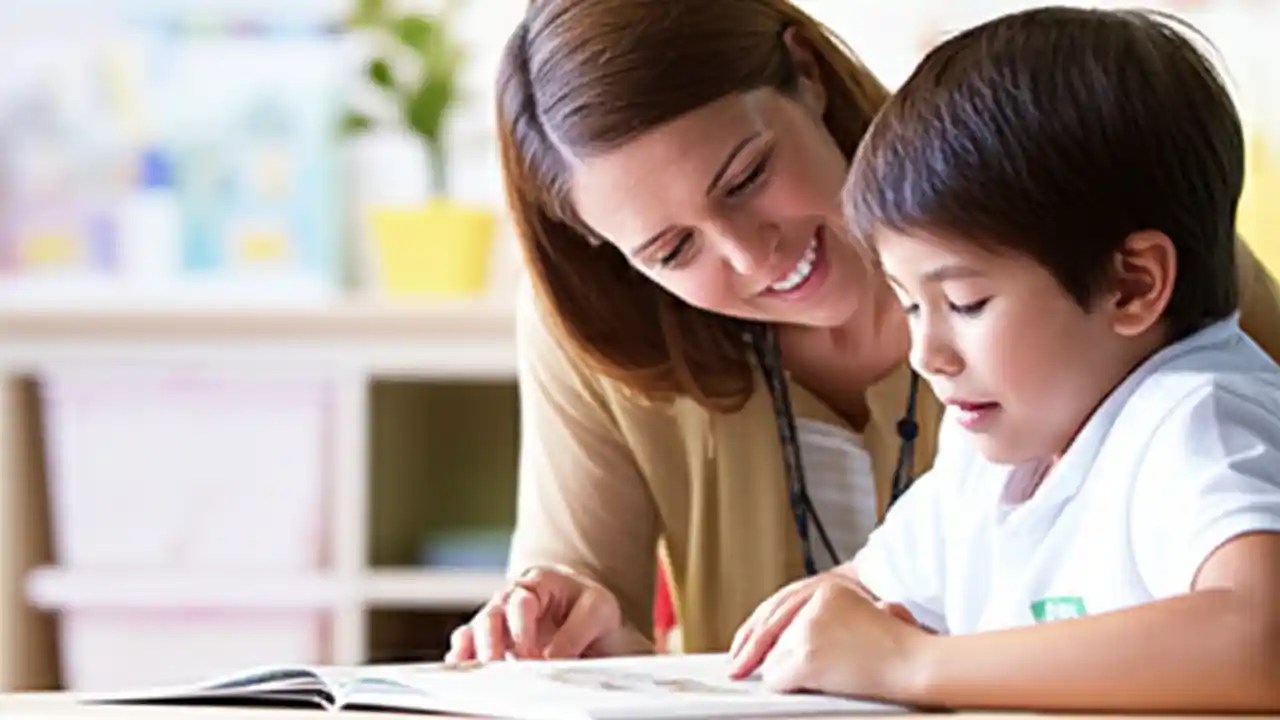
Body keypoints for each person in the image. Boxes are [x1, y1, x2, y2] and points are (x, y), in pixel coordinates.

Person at [446, 0, 1280, 663]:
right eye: (672, 249)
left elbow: (1256, 626)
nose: (750, 255)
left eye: (747, 177)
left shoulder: (1107, 265)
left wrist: (907, 665)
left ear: (805, 73)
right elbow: (847, 594)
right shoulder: (603, 334)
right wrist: (577, 644)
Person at [728, 7, 1280, 712]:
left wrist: (911, 664)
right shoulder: (991, 458)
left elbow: (1263, 637)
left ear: (1132, 283)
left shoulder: (1196, 417)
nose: (927, 354)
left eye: (965, 303)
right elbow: (875, 589)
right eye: (908, 302)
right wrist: (835, 610)